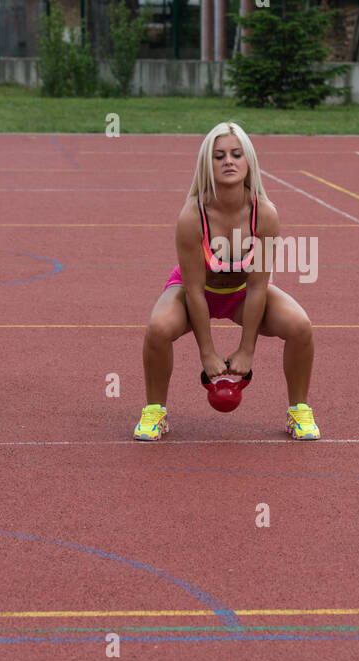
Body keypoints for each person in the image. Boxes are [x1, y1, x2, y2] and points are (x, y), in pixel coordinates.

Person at [135, 122, 319, 441]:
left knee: (300, 326)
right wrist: (207, 353)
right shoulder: (193, 216)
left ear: (249, 162)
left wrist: (247, 351)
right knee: (159, 328)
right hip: (194, 292)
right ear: (207, 164)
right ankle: (154, 412)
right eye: (219, 156)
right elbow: (193, 290)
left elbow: (259, 285)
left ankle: (299, 411)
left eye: (236, 154)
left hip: (243, 295)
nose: (228, 161)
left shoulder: (265, 215)